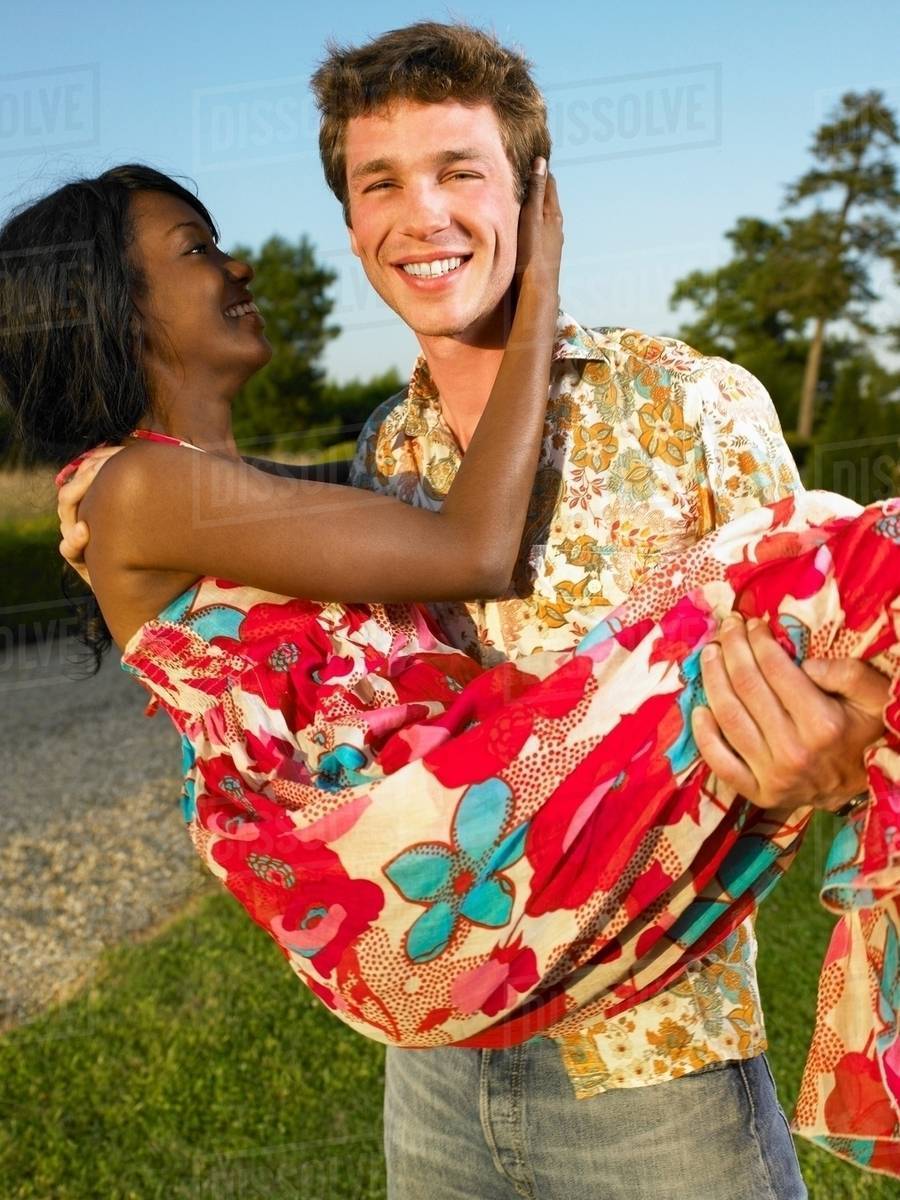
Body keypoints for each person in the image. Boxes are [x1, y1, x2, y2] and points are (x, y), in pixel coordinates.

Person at [46, 26, 896, 1199]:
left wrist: (825, 758)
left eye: (460, 172)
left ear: (534, 196)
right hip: (436, 1074)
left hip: (654, 1073)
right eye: (380, 183)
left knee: (831, 556)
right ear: (350, 221)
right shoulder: (380, 456)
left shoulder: (694, 402)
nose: (421, 215)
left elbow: (842, 689)